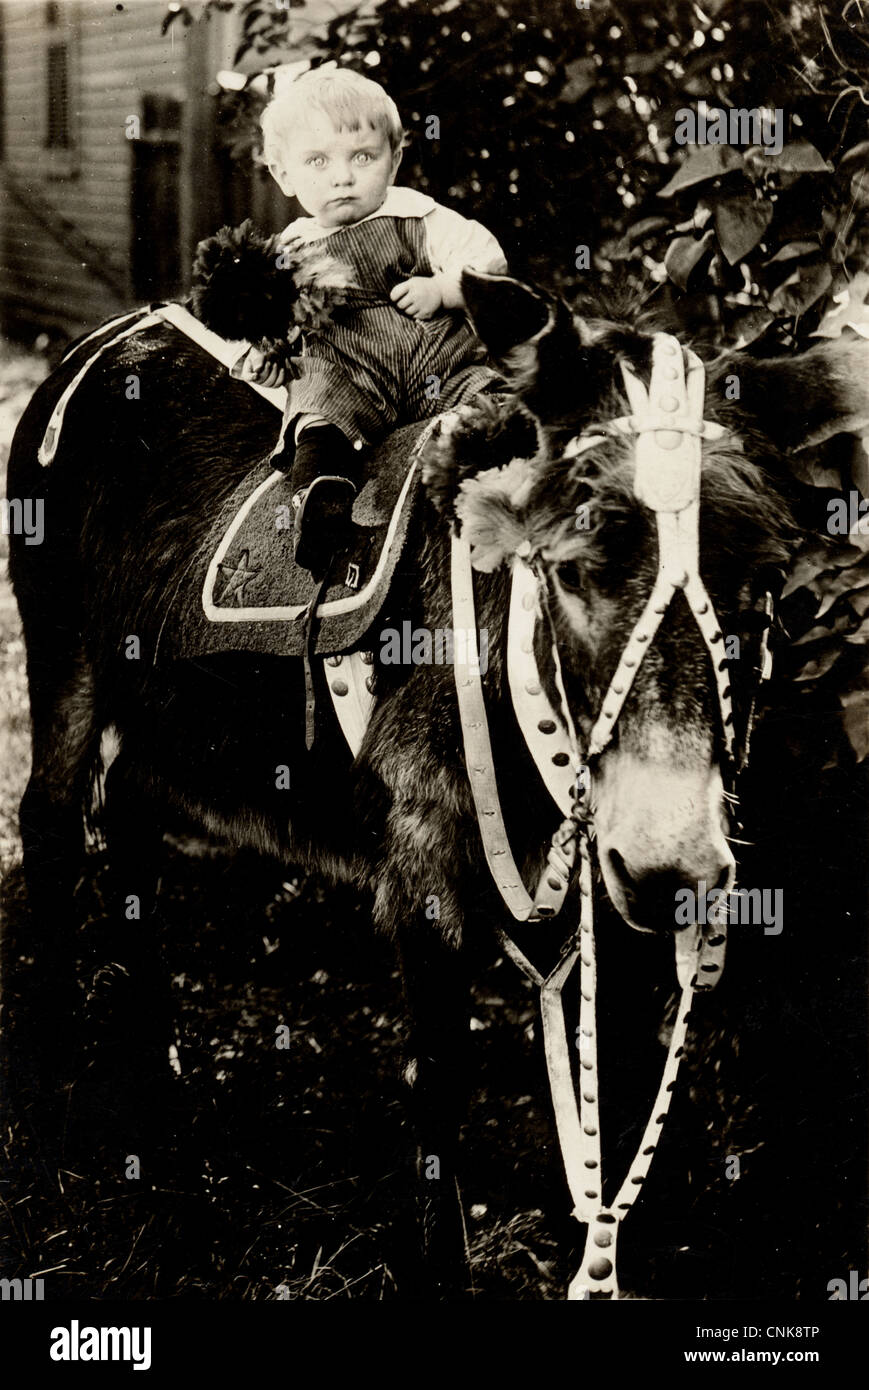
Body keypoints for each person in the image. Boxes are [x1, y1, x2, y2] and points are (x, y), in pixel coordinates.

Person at [242, 65, 508, 576]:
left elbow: (488, 260)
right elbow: (272, 319)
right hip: (350, 377)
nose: (342, 176)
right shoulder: (290, 250)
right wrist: (268, 355)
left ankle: (518, 481)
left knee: (494, 404)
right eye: (317, 161)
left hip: (439, 362)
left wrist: (444, 289)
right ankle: (322, 499)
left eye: (362, 156)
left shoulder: (418, 216)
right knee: (317, 410)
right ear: (284, 175)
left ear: (394, 159)